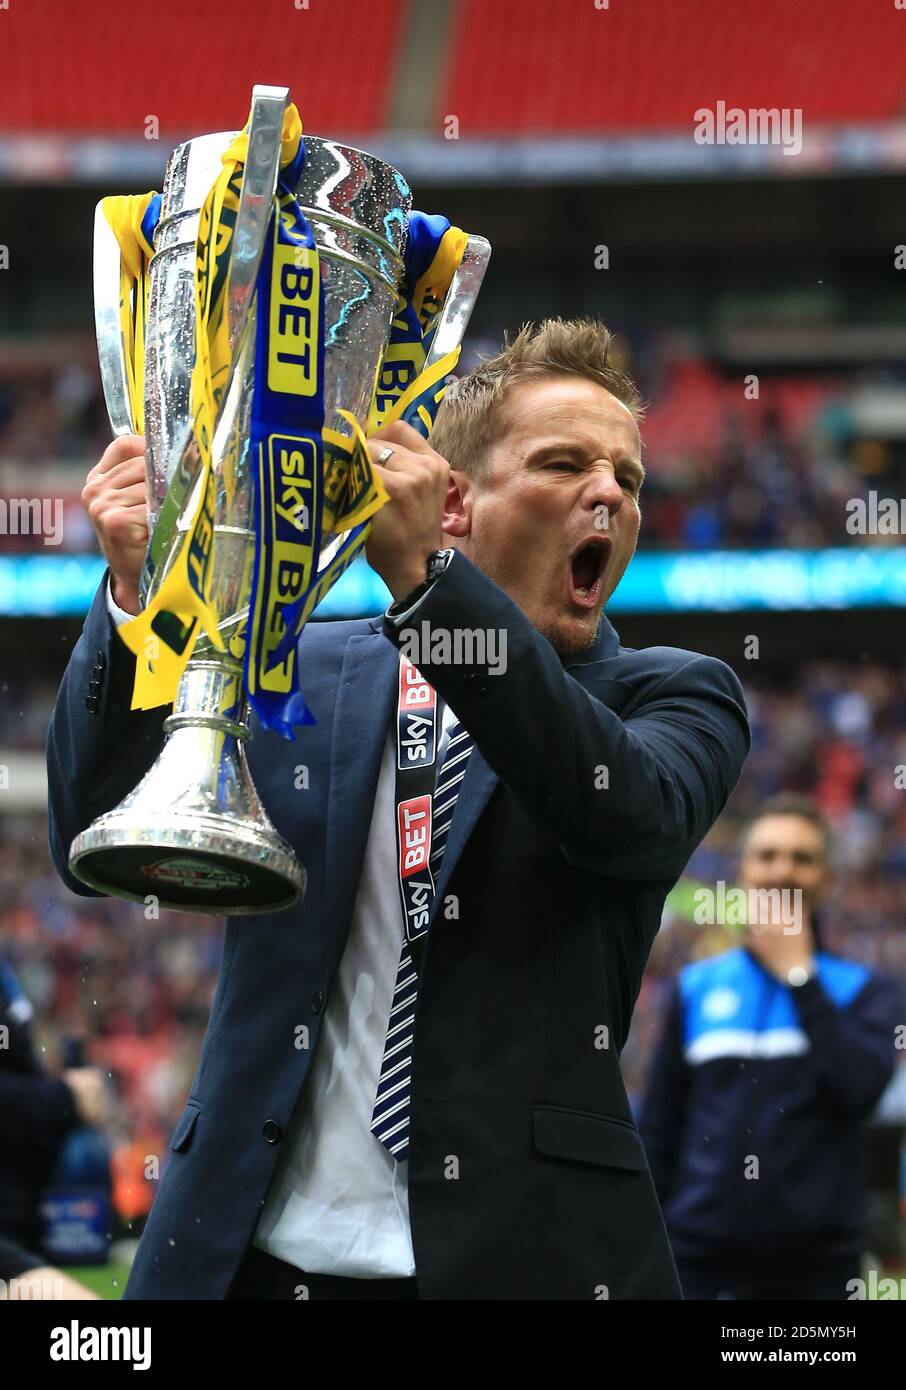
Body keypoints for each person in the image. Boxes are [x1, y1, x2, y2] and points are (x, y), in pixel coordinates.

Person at [47, 318, 750, 1300]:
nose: (610, 493)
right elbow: (92, 830)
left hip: (511, 1261)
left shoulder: (674, 695)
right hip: (246, 1256)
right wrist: (130, 600)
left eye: (627, 478)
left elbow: (621, 811)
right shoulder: (304, 667)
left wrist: (432, 586)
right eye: (564, 463)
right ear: (455, 499)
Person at [639, 793, 901, 1300]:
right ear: (742, 872)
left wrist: (799, 976)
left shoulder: (864, 989)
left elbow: (861, 1086)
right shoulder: (697, 987)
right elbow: (660, 1129)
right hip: (699, 1265)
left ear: (827, 879)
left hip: (819, 1274)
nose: (783, 869)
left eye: (802, 858)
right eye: (768, 855)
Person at [0, 953, 107, 1260]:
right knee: (83, 1151)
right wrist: (67, 1096)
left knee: (86, 1146)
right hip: (11, 1216)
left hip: (24, 1198)